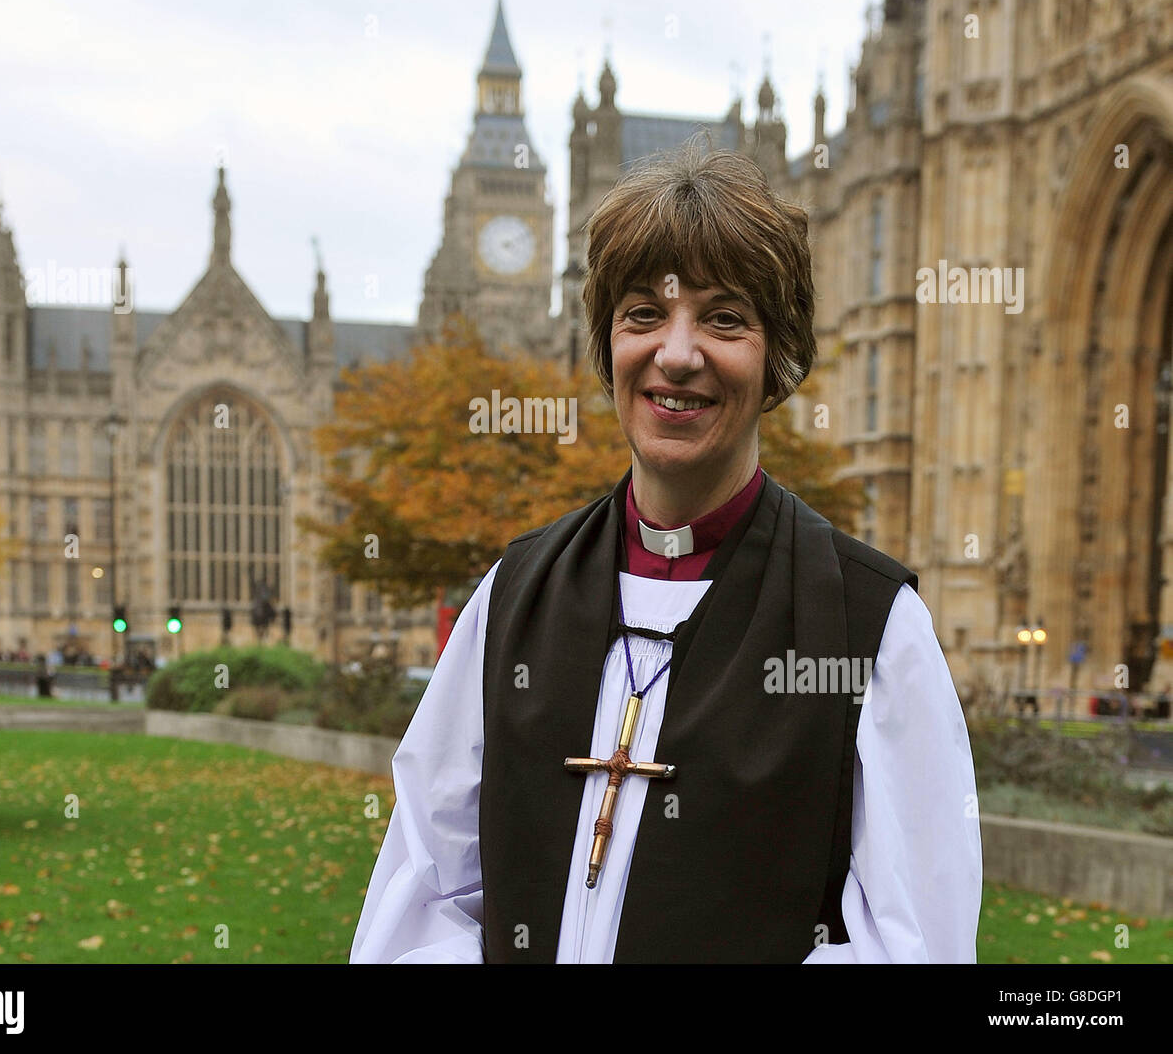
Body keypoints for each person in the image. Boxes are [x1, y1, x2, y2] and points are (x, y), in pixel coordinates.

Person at [350, 135, 982, 964]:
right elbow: (424, 893)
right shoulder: (514, 596)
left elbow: (913, 944)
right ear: (608, 347)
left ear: (778, 354)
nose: (677, 354)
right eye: (644, 313)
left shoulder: (871, 625)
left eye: (724, 318)